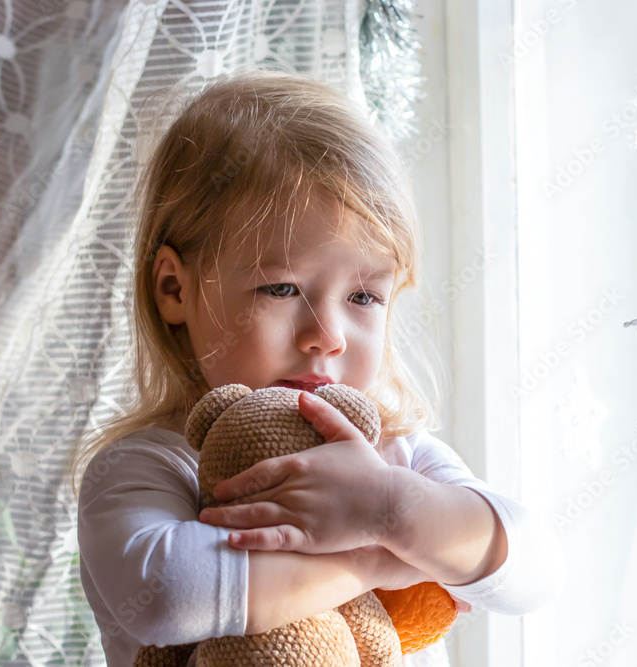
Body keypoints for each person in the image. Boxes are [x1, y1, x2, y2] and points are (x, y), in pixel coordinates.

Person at [74, 70, 566, 667]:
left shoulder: (394, 457)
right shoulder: (149, 465)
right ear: (175, 289)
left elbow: (537, 567)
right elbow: (167, 596)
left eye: (363, 298)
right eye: (281, 288)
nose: (327, 336)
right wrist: (374, 556)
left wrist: (392, 507)